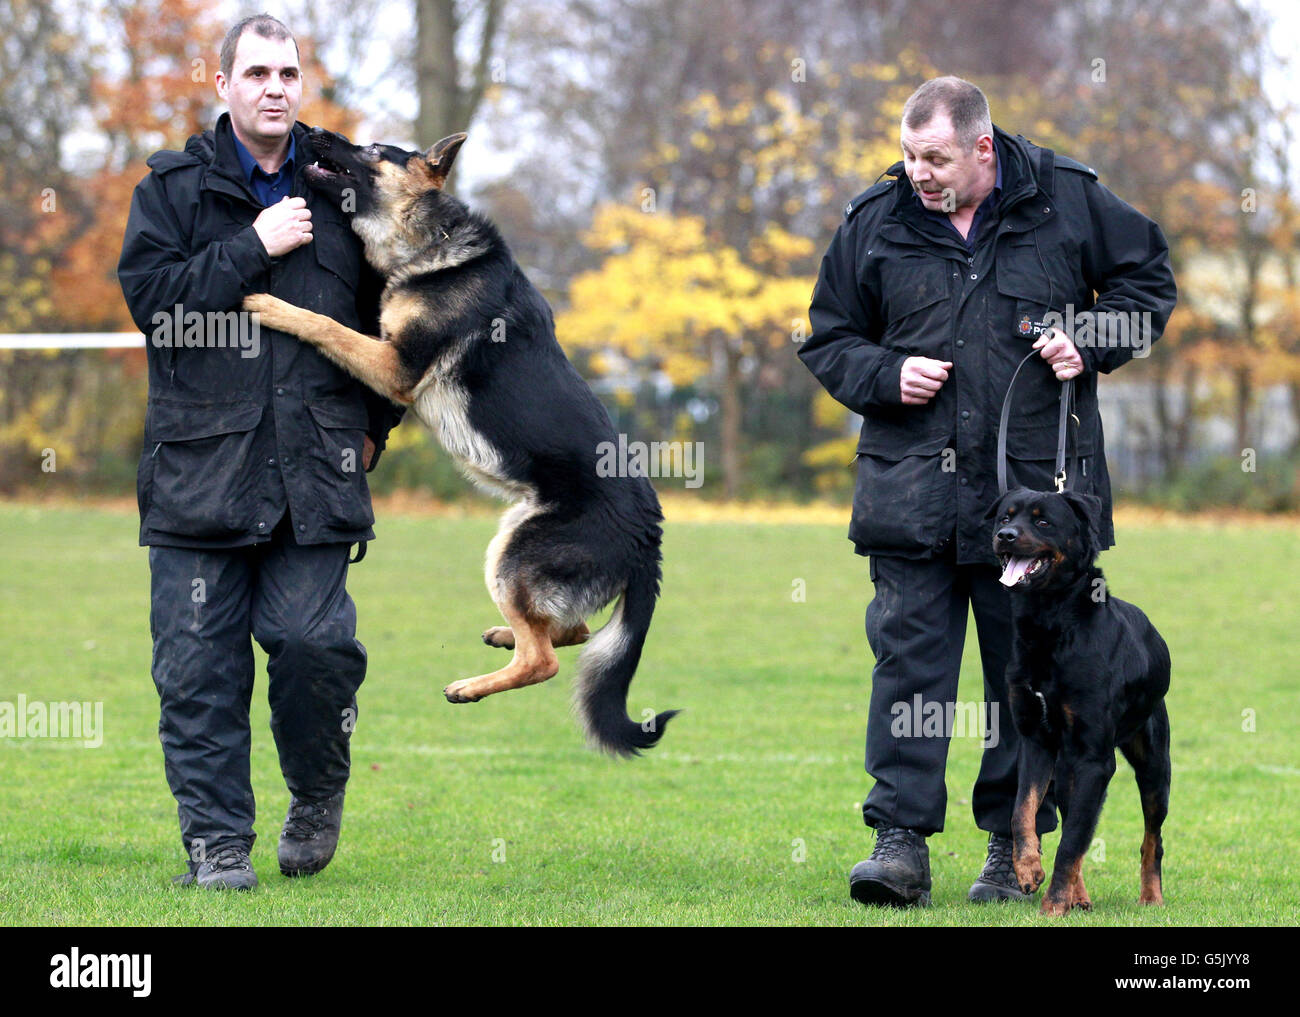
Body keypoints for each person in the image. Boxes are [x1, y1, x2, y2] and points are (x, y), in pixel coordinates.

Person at [798, 76, 1176, 907]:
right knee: (909, 671)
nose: (917, 172)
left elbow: (1149, 283)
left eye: (933, 157)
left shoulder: (1067, 199)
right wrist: (888, 372)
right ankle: (899, 844)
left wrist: (1092, 336)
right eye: (907, 153)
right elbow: (826, 336)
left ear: (981, 146)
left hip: (1039, 506)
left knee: (1032, 680)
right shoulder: (876, 220)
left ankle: (1014, 848)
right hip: (912, 496)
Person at [117, 15, 403, 890]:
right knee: (198, 667)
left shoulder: (344, 189)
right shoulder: (171, 189)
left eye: (287, 72)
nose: (274, 86)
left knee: (313, 644)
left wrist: (372, 430)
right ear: (225, 86)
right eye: (257, 73)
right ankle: (217, 846)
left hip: (317, 471)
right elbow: (156, 308)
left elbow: (397, 321)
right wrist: (250, 247)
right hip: (200, 473)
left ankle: (317, 793)